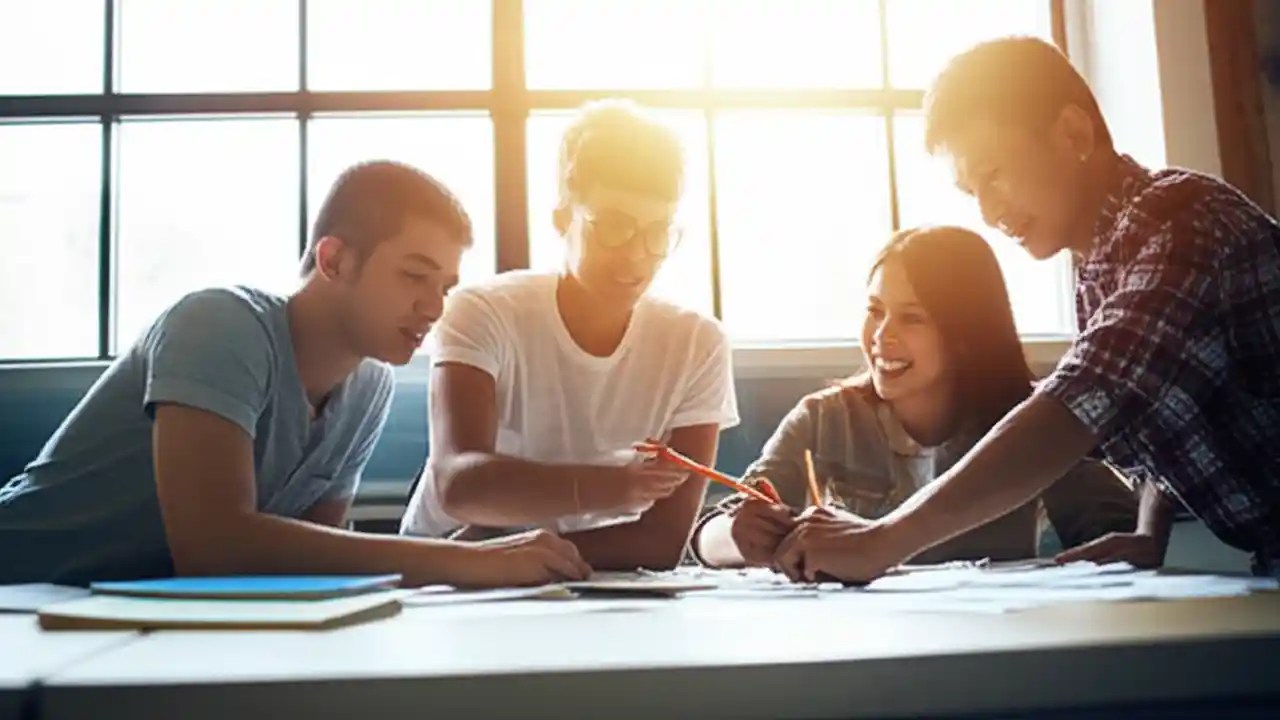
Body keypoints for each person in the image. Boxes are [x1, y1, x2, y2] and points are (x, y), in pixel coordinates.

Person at [774, 37, 1280, 582]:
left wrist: (884, 540)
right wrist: (1148, 532)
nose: (989, 213)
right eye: (972, 193)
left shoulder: (1183, 227)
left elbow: (1080, 401)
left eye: (993, 174)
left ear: (1073, 134)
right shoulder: (1103, 266)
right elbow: (1163, 388)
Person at [0, 161, 590, 587]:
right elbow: (215, 548)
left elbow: (311, 564)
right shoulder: (218, 324)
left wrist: (465, 562)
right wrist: (471, 563)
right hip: (21, 594)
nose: (435, 308)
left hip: (124, 614)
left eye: (445, 288)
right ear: (334, 259)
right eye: (414, 276)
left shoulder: (368, 385)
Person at [400, 100, 739, 570]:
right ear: (563, 218)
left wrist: (523, 549)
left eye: (657, 231)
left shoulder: (697, 343)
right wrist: (613, 487)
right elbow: (457, 485)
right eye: (614, 227)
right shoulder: (483, 311)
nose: (637, 255)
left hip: (587, 575)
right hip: (448, 570)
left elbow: (662, 543)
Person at [690, 226, 1138, 569]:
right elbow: (705, 533)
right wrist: (734, 533)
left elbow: (1123, 532)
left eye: (912, 318)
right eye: (875, 311)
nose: (882, 337)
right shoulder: (823, 419)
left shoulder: (1030, 425)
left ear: (966, 333)